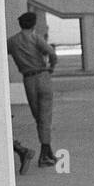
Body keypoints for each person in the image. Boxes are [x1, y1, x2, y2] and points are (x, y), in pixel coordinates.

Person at [7, 11, 58, 167]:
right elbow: (51, 53)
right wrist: (51, 67)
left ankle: (47, 151)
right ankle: (45, 153)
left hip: (28, 79)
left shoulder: (12, 41)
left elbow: (2, 52)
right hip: (42, 76)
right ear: (34, 24)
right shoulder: (36, 38)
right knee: (45, 116)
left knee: (38, 116)